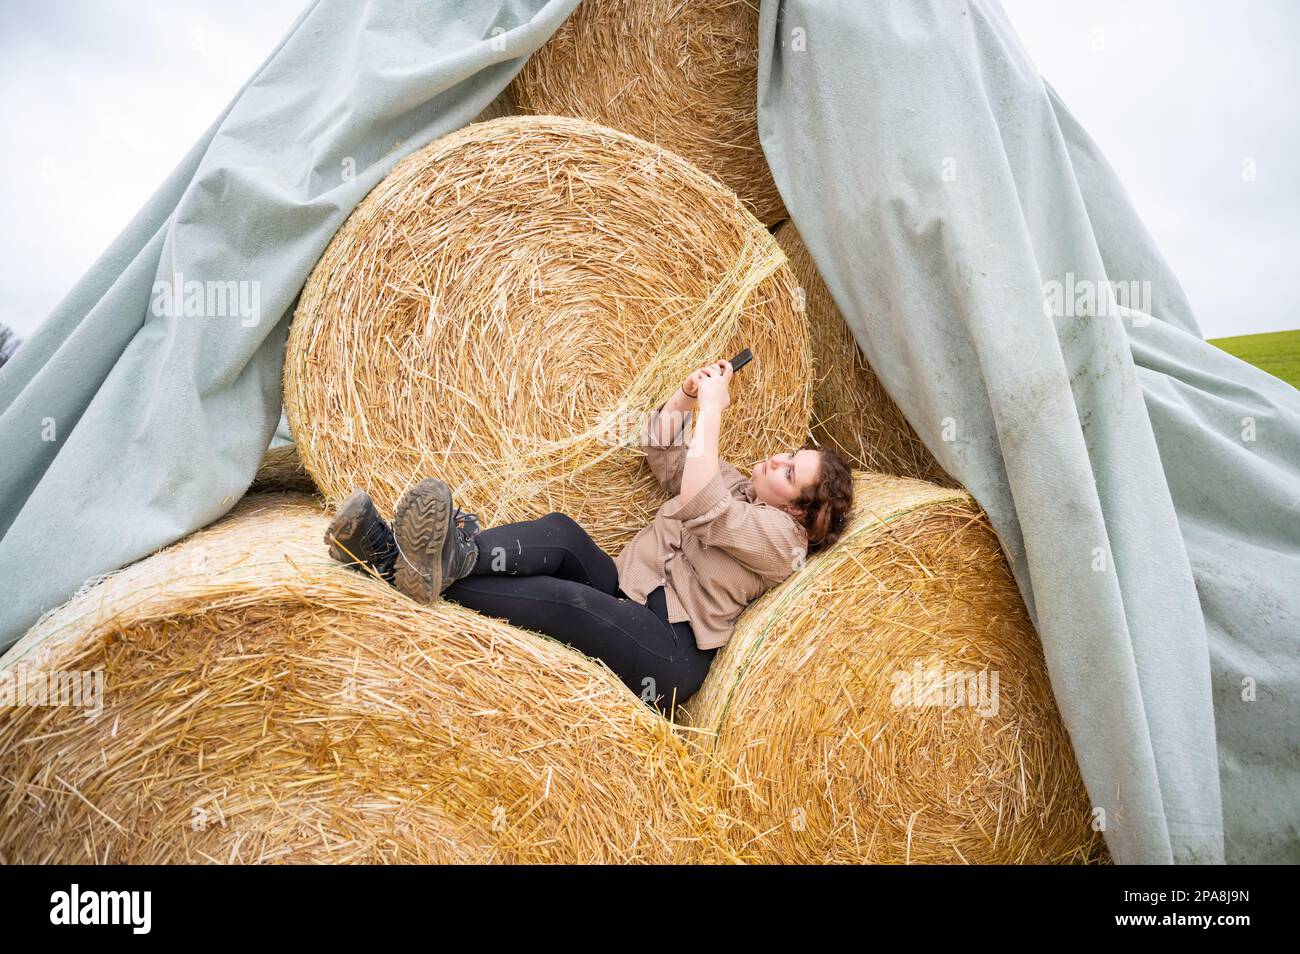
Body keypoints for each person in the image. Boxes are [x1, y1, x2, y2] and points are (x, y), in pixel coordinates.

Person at [323, 358, 854, 713]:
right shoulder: (738, 486)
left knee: (570, 603)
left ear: (804, 514)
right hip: (628, 590)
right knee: (563, 534)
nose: (778, 460)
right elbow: (663, 452)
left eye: (790, 472)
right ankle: (447, 556)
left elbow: (698, 499)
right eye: (788, 455)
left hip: (668, 653)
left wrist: (715, 411)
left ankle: (387, 557)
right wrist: (686, 398)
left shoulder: (785, 542)